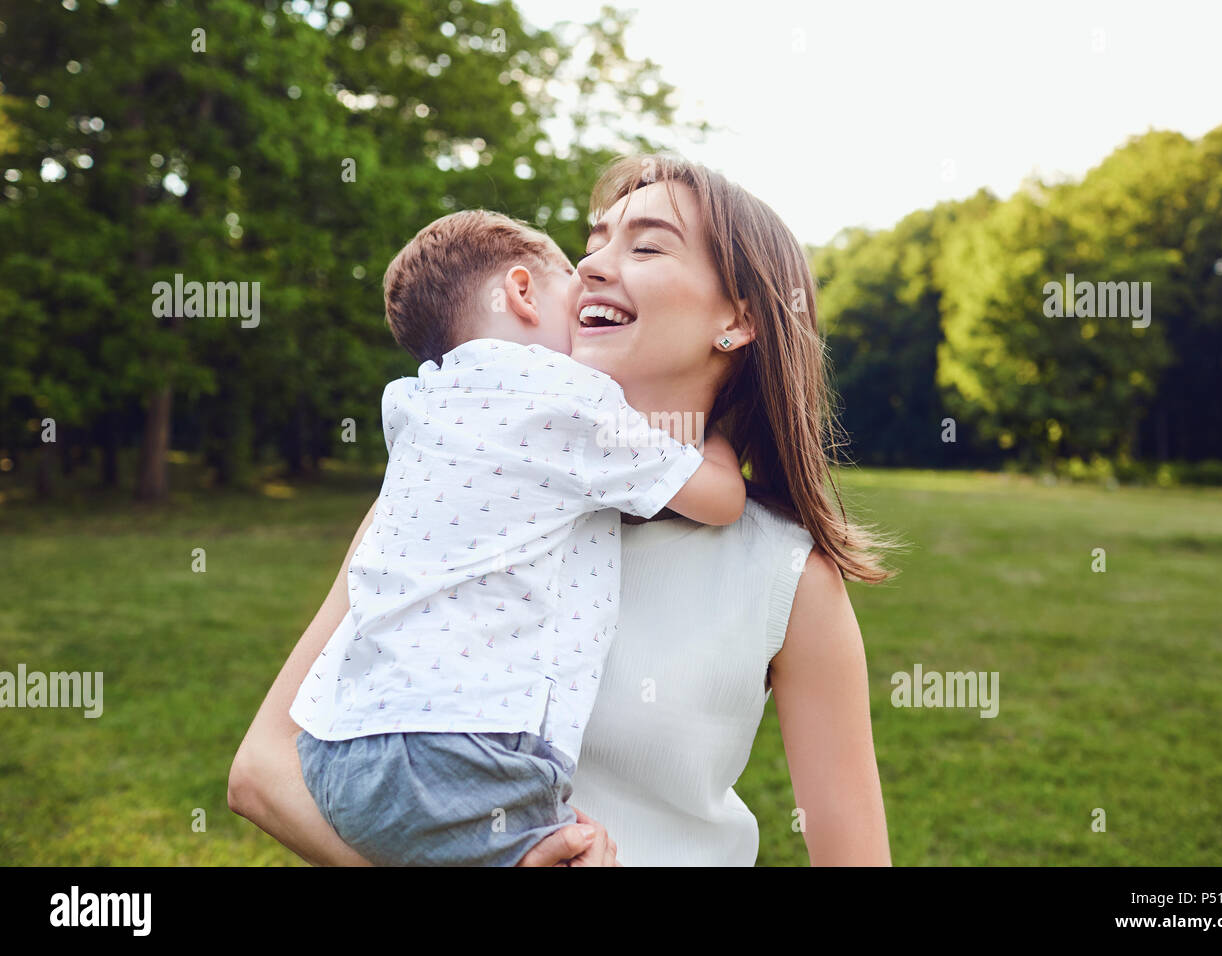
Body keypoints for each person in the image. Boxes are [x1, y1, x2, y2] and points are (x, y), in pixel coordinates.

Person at [229, 153, 894, 866]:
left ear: (738, 318)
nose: (593, 269)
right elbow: (264, 772)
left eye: (645, 245)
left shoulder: (787, 575)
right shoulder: (440, 502)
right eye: (593, 243)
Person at [288, 210, 745, 866]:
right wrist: (718, 435)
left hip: (336, 752)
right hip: (464, 748)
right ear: (525, 292)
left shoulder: (420, 405)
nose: (588, 285)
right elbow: (720, 500)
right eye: (572, 275)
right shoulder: (567, 398)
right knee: (576, 852)